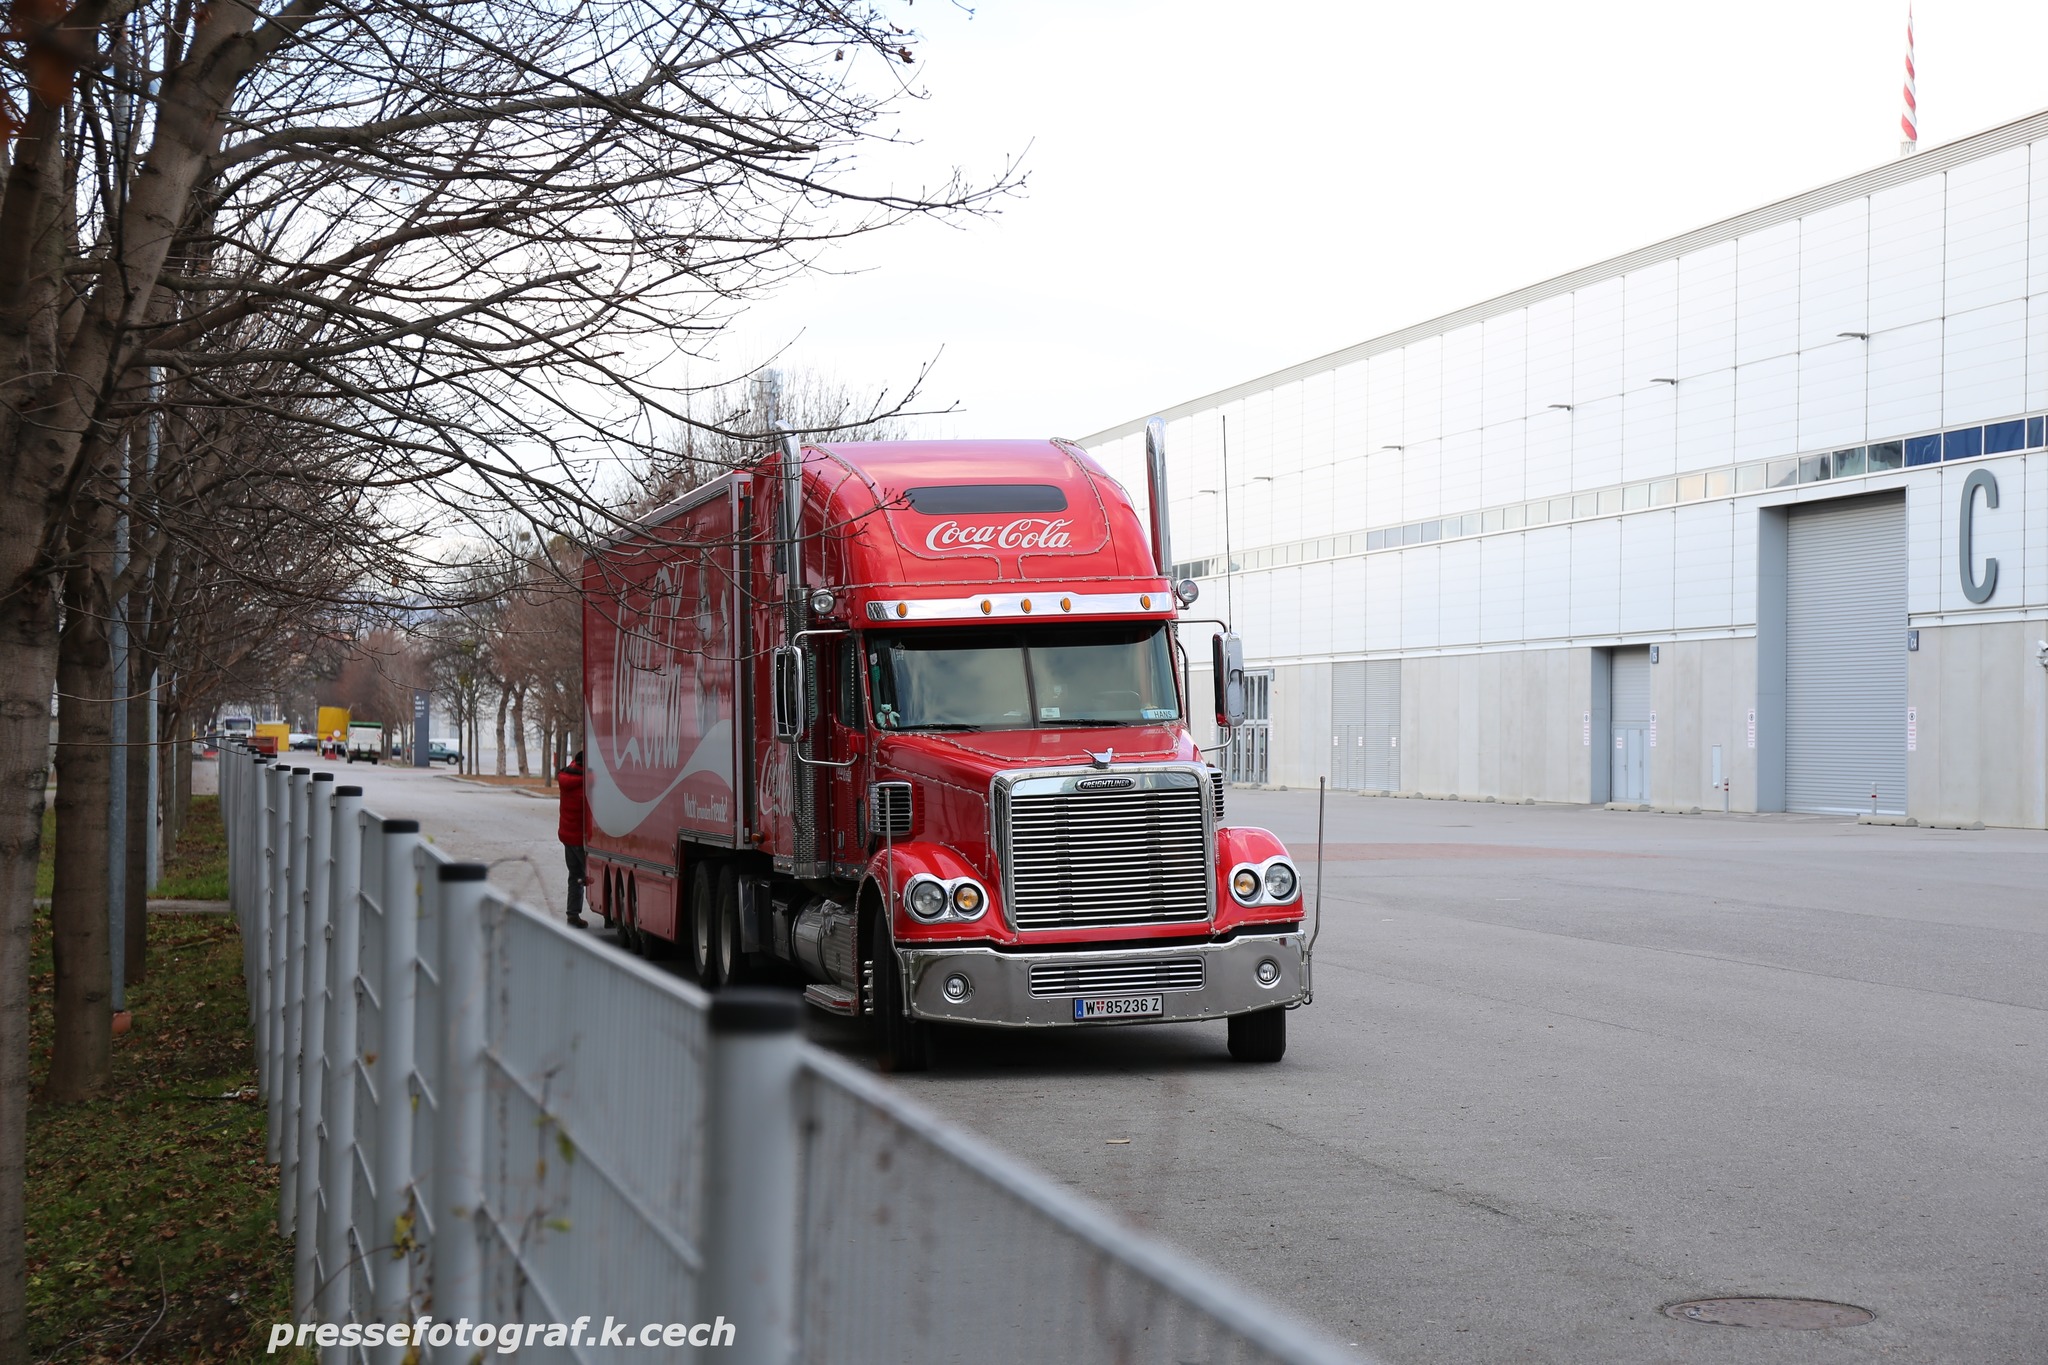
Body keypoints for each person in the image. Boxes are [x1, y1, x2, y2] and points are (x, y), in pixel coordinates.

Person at [558, 749, 589, 927]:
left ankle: (572, 914)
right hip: (580, 838)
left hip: (566, 836)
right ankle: (609, 916)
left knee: (574, 876)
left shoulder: (567, 774)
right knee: (590, 876)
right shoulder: (585, 782)